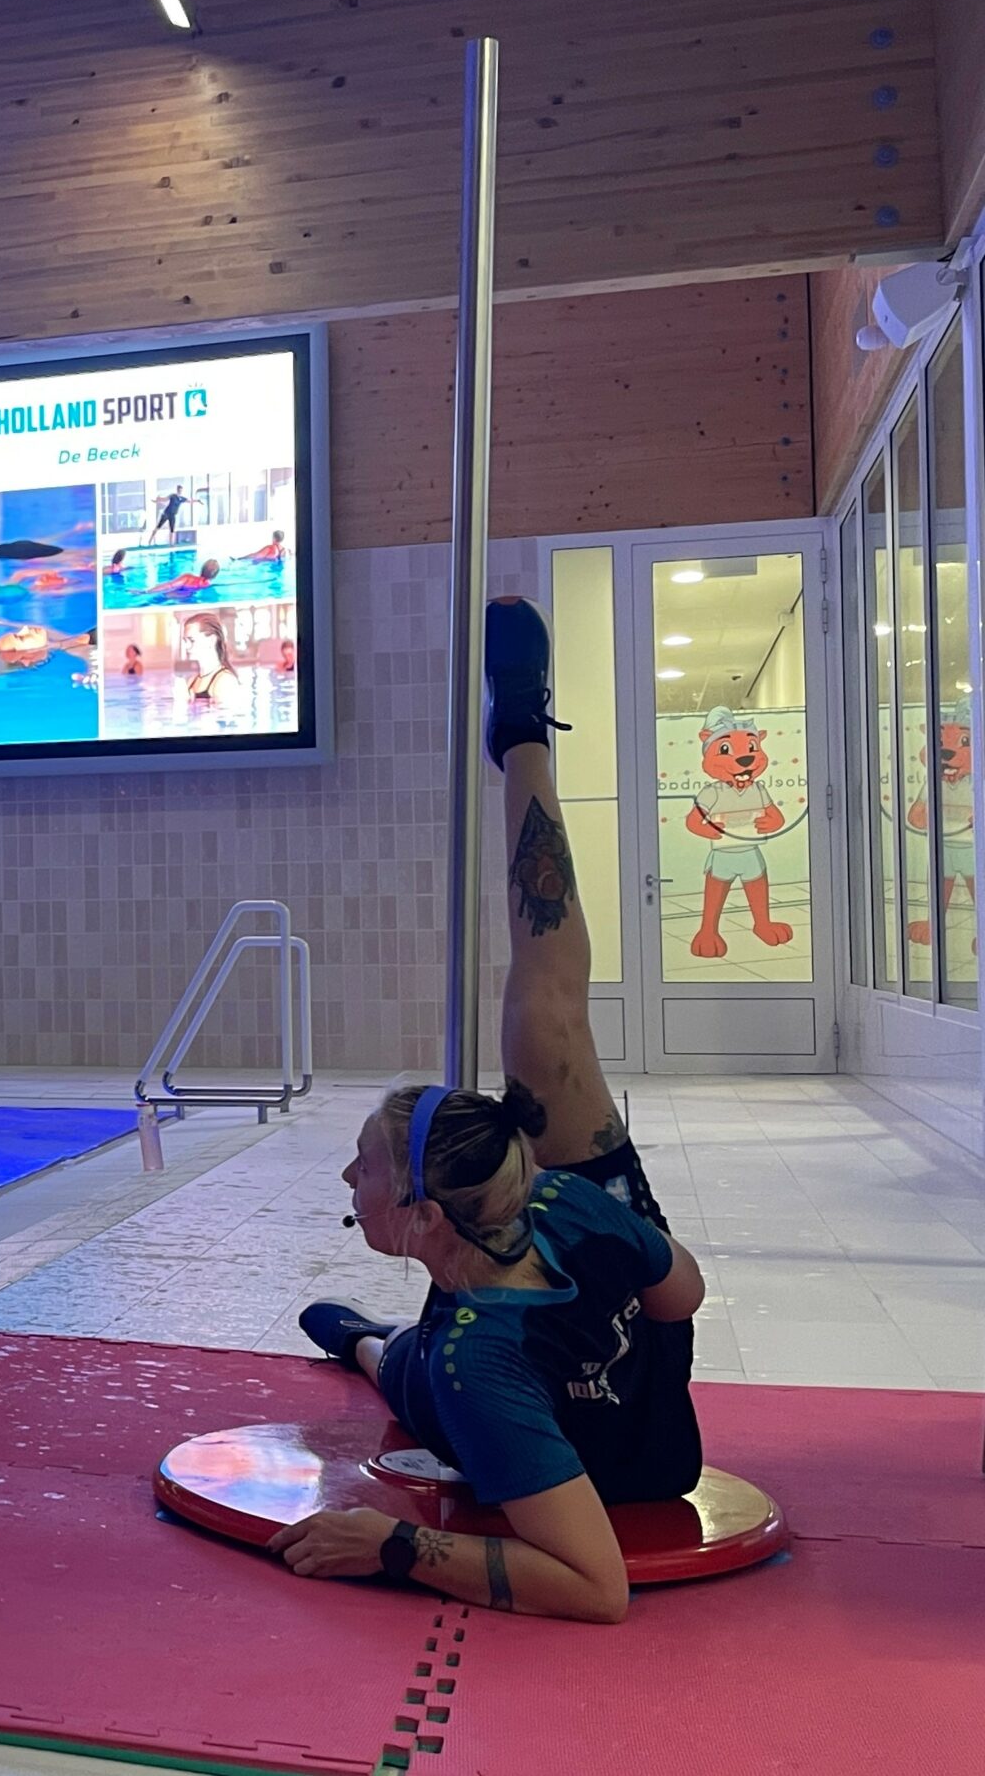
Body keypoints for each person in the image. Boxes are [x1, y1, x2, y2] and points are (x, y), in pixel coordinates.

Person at [273, 597, 708, 1625]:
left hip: (548, 1413)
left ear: (425, 1219)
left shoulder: (472, 1370)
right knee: (546, 1013)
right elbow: (680, 1300)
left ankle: (367, 1344)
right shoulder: (567, 1202)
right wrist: (609, 1319)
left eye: (364, 1172)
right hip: (581, 1307)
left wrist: (392, 1543)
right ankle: (517, 735)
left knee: (409, 1368)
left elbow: (596, 1592)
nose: (345, 1183)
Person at [181, 611, 239, 706]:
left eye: (192, 640)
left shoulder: (225, 681)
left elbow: (225, 719)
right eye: (185, 641)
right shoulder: (192, 681)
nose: (187, 646)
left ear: (211, 640)